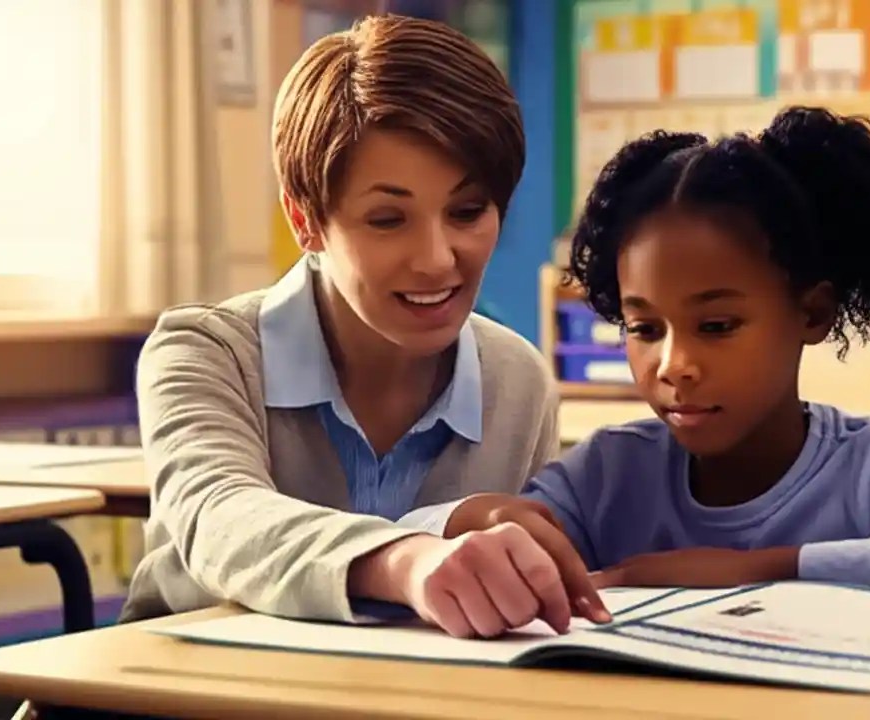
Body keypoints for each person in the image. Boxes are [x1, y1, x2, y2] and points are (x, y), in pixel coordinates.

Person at [407, 106, 870, 620]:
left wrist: (754, 569)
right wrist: (480, 519)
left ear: (811, 313)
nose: (674, 364)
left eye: (717, 325)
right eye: (645, 326)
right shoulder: (610, 473)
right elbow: (402, 543)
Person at [120, 14, 608, 640]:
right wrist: (409, 557)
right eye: (386, 219)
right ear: (306, 222)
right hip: (189, 698)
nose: (437, 257)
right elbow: (221, 521)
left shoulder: (516, 381)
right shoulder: (207, 352)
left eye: (467, 211)